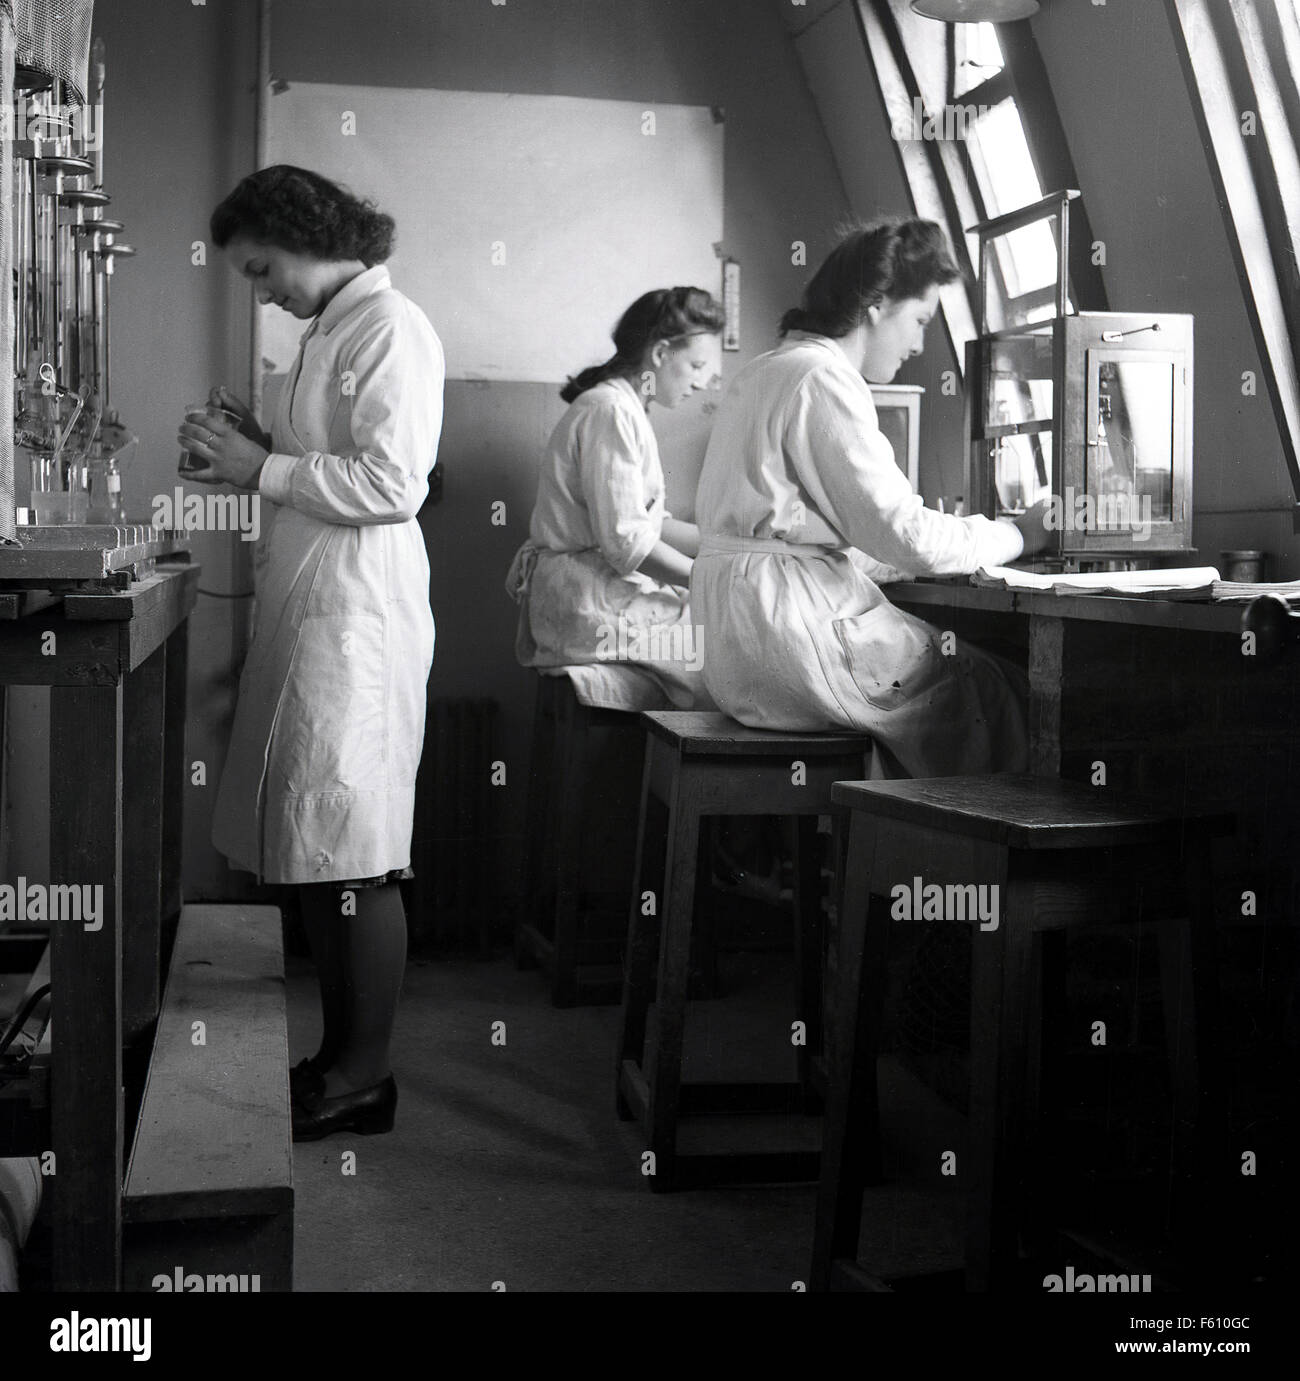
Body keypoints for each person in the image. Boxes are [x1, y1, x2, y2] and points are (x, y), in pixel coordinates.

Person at [179, 164, 444, 1140]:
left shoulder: (390, 328)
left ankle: (365, 1074)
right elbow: (315, 465)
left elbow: (394, 483)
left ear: (303, 232)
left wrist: (265, 464)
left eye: (263, 268)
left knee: (355, 853)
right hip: (316, 607)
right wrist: (248, 442)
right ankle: (337, 1057)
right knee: (318, 848)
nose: (264, 290)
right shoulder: (326, 334)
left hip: (359, 621)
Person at [691, 218, 1051, 778]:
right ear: (878, 303)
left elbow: (800, 536)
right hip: (788, 641)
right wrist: (1018, 535)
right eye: (920, 320)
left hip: (738, 644)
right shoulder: (823, 378)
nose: (918, 342)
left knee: (950, 676)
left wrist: (904, 560)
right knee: (997, 688)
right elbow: (905, 534)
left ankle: (862, 842)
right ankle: (930, 856)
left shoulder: (767, 370)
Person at [505, 287, 724, 710]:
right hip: (585, 604)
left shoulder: (626, 408)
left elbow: (649, 524)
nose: (700, 382)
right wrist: (711, 583)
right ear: (659, 353)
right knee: (726, 653)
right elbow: (628, 543)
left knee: (720, 638)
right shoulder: (610, 412)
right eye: (696, 365)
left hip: (594, 592)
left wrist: (726, 547)